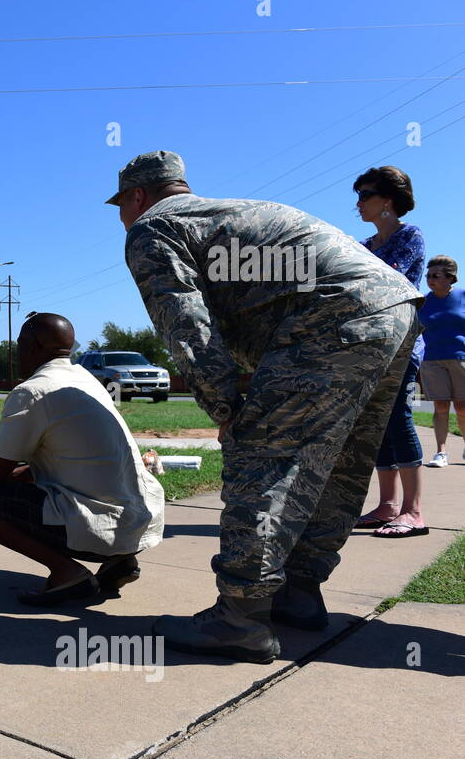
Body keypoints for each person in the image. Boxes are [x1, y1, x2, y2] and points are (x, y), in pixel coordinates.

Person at [113, 150, 421, 663]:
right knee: (339, 462)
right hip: (394, 308)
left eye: (121, 203)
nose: (122, 215)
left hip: (332, 312)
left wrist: (226, 409)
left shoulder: (152, 228)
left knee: (262, 459)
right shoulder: (226, 213)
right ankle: (298, 591)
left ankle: (240, 615)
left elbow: (185, 324)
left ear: (138, 196)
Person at [0, 312, 165, 604]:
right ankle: (120, 561)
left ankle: (67, 573)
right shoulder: (85, 379)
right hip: (142, 522)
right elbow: (71, 461)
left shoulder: (32, 391)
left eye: (19, 345)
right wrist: (23, 475)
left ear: (33, 347)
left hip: (96, 528)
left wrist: (3, 480)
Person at [349, 166, 428, 537]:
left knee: (398, 419)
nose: (359, 203)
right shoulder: (363, 247)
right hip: (372, 348)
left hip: (402, 345)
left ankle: (413, 511)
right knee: (377, 426)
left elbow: (383, 278)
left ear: (388, 201)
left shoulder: (410, 236)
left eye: (365, 195)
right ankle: (388, 505)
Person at [419, 255, 465, 467]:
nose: (430, 279)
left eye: (435, 275)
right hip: (432, 361)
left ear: (450, 277)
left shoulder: (463, 296)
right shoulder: (423, 302)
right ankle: (441, 453)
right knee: (440, 406)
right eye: (428, 275)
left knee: (463, 407)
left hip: (461, 359)